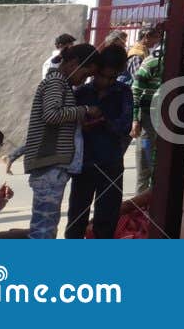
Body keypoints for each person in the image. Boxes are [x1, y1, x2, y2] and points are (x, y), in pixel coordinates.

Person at [22, 42, 99, 238]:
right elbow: (51, 114)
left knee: (46, 224)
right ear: (73, 63)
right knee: (44, 227)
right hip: (49, 163)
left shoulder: (61, 83)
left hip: (53, 163)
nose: (84, 80)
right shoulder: (56, 81)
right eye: (85, 74)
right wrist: (85, 110)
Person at [66, 43, 133, 239]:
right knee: (77, 216)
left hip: (110, 163)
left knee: (106, 218)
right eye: (101, 76)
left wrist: (105, 121)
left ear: (119, 73)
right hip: (84, 163)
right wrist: (83, 125)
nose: (105, 81)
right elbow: (68, 124)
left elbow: (125, 127)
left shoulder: (123, 93)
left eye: (111, 78)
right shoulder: (82, 92)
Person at [129, 25, 167, 191]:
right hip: (148, 119)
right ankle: (140, 206)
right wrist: (135, 119)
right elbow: (136, 91)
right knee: (145, 163)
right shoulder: (152, 61)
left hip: (168, 118)